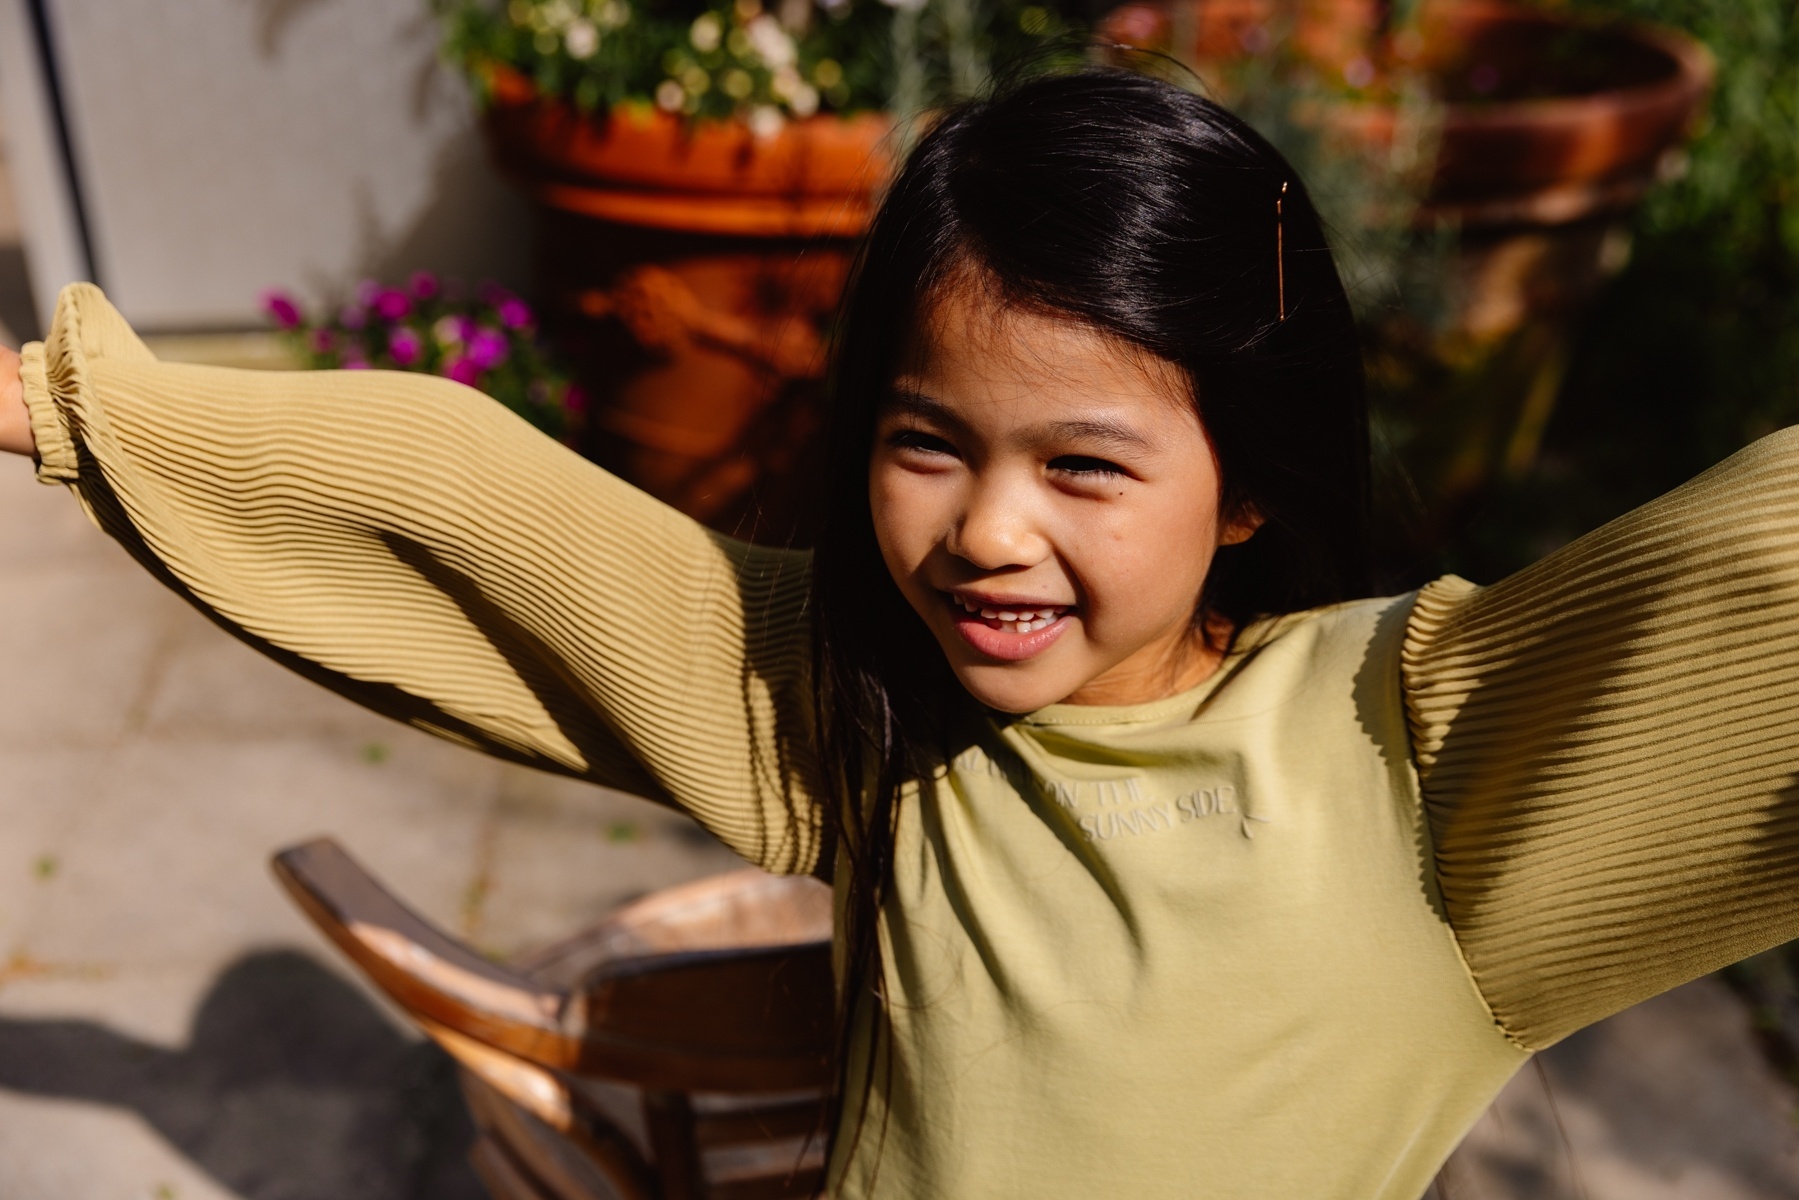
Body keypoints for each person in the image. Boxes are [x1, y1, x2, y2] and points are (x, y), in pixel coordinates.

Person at [2, 68, 1798, 1199]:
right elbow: (479, 505)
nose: (985, 534)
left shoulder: (1420, 778)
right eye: (927, 441)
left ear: (1246, 486)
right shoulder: (864, 710)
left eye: (1085, 463)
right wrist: (67, 406)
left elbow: (1747, 589)